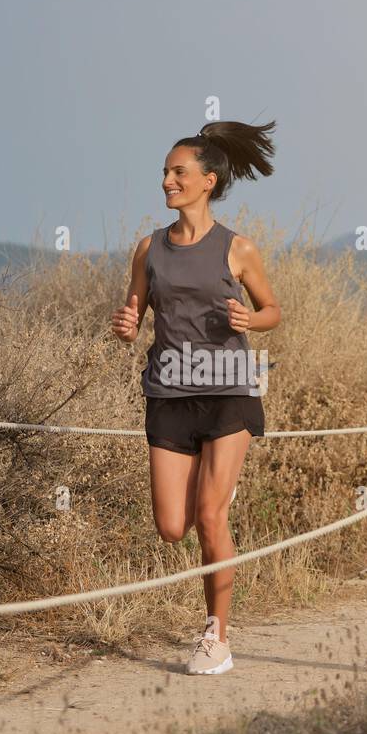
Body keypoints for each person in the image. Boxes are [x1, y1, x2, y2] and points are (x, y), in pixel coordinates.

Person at [109, 120, 282, 675]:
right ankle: (214, 516)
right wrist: (127, 325)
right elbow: (134, 310)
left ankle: (216, 635)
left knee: (209, 515)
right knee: (170, 526)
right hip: (169, 394)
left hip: (229, 388)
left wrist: (250, 320)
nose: (166, 181)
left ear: (208, 180)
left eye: (178, 172)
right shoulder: (149, 248)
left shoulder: (239, 248)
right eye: (164, 172)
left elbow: (273, 311)